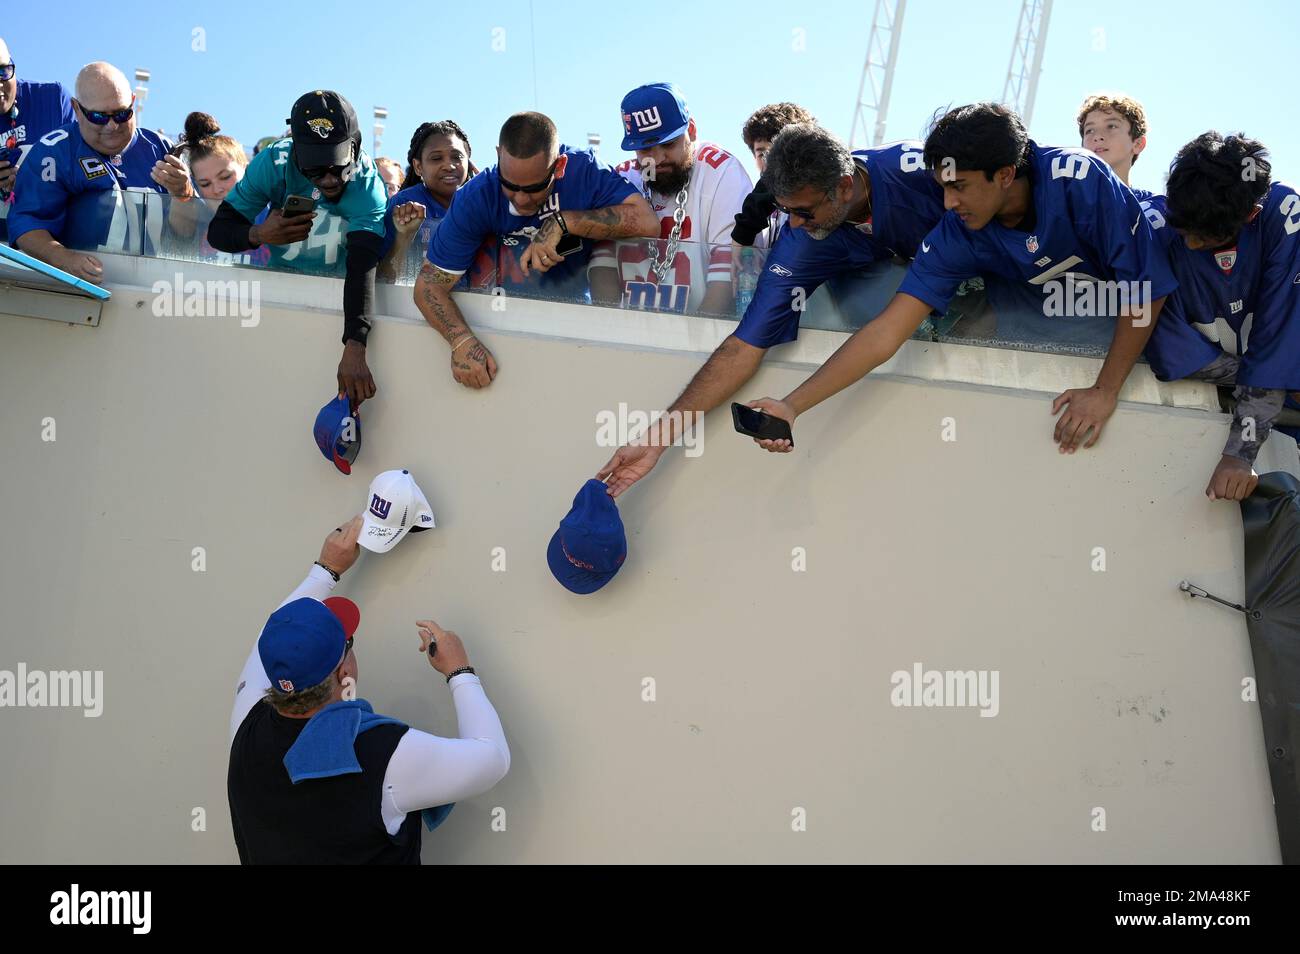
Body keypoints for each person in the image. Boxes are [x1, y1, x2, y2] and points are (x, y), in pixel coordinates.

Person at [745, 103, 1177, 457]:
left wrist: (1105, 389)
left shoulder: (1080, 180)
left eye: (960, 186)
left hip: (1127, 363)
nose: (948, 203)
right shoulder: (956, 230)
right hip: (1036, 361)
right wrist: (791, 406)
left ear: (1005, 174)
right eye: (942, 187)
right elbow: (885, 332)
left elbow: (1146, 287)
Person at [597, 122, 944, 497]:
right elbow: (741, 350)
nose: (793, 224)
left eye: (805, 212)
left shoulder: (922, 171)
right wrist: (656, 439)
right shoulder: (800, 240)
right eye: (785, 210)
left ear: (844, 187)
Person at [228, 517, 510, 865]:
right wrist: (460, 671)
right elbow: (493, 759)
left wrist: (326, 569)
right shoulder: (381, 755)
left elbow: (268, 638)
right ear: (345, 671)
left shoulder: (246, 723)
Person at [414, 110, 658, 389]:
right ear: (498, 155)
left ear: (560, 166)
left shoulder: (585, 170)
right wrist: (461, 340)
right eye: (509, 185)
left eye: (534, 188)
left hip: (577, 330)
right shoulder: (476, 196)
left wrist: (565, 222)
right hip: (497, 329)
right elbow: (428, 287)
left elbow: (648, 223)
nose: (519, 199)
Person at [1143, 133, 1300, 500]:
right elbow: (1168, 347)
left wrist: (1238, 454)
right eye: (1185, 230)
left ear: (1250, 215)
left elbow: (1280, 341)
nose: (1190, 244)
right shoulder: (1158, 225)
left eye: (1204, 236)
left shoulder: (1281, 215)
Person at [207, 90, 389, 407]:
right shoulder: (272, 164)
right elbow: (218, 232)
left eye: (337, 166)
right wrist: (259, 233)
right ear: (295, 154)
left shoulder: (368, 187)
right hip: (280, 296)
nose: (329, 179)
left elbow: (362, 268)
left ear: (356, 147)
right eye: (314, 170)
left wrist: (355, 345)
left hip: (338, 297)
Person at [7, 62, 194, 281]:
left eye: (122, 114)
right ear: (76, 109)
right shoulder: (54, 152)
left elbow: (187, 237)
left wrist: (183, 193)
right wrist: (65, 259)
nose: (112, 126)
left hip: (153, 289)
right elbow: (27, 224)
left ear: (133, 101)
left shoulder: (161, 148)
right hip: (84, 292)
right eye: (99, 117)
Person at [588, 83, 753, 315]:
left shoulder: (722, 172)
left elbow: (726, 282)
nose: (658, 158)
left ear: (692, 131)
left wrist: (690, 347)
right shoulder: (622, 179)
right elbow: (602, 270)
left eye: (668, 144)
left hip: (702, 338)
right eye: (645, 150)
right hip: (626, 338)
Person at [164, 111, 268, 267]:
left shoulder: (274, 213)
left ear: (247, 170)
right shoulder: (198, 222)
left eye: (225, 176)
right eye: (205, 184)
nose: (217, 189)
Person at [0, 37, 76, 242]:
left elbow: (90, 164)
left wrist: (33, 179)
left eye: (2, 71)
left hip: (52, 243)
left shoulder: (53, 99)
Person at [378, 120, 474, 282]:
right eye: (436, 158)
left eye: (457, 157)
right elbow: (383, 279)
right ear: (418, 167)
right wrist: (404, 236)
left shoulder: (480, 203)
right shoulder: (403, 205)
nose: (449, 165)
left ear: (468, 162)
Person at [731, 102, 817, 250]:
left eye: (778, 151)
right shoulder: (766, 214)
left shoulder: (819, 198)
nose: (770, 161)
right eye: (762, 154)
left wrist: (744, 230)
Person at [1076, 93, 1147, 190]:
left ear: (1138, 144)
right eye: (1090, 130)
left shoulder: (1156, 204)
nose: (1097, 136)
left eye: (1111, 126)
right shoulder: (1064, 202)